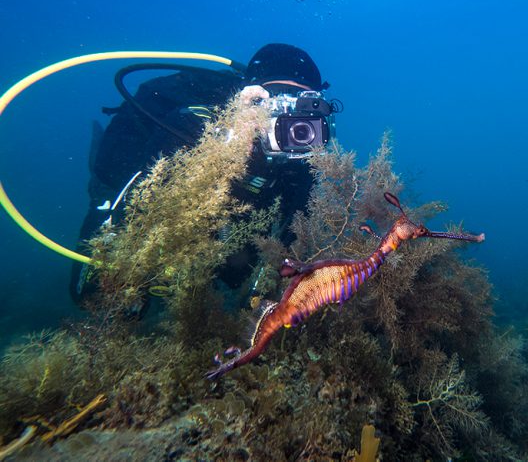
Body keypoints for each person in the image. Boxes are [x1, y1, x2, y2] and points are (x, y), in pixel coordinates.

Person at [70, 43, 336, 305]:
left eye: (304, 104)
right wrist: (231, 140)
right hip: (129, 182)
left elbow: (293, 235)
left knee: (237, 272)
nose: (293, 121)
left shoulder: (300, 161)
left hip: (227, 236)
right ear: (251, 95)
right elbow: (139, 202)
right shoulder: (195, 125)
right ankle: (97, 156)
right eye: (280, 99)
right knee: (99, 297)